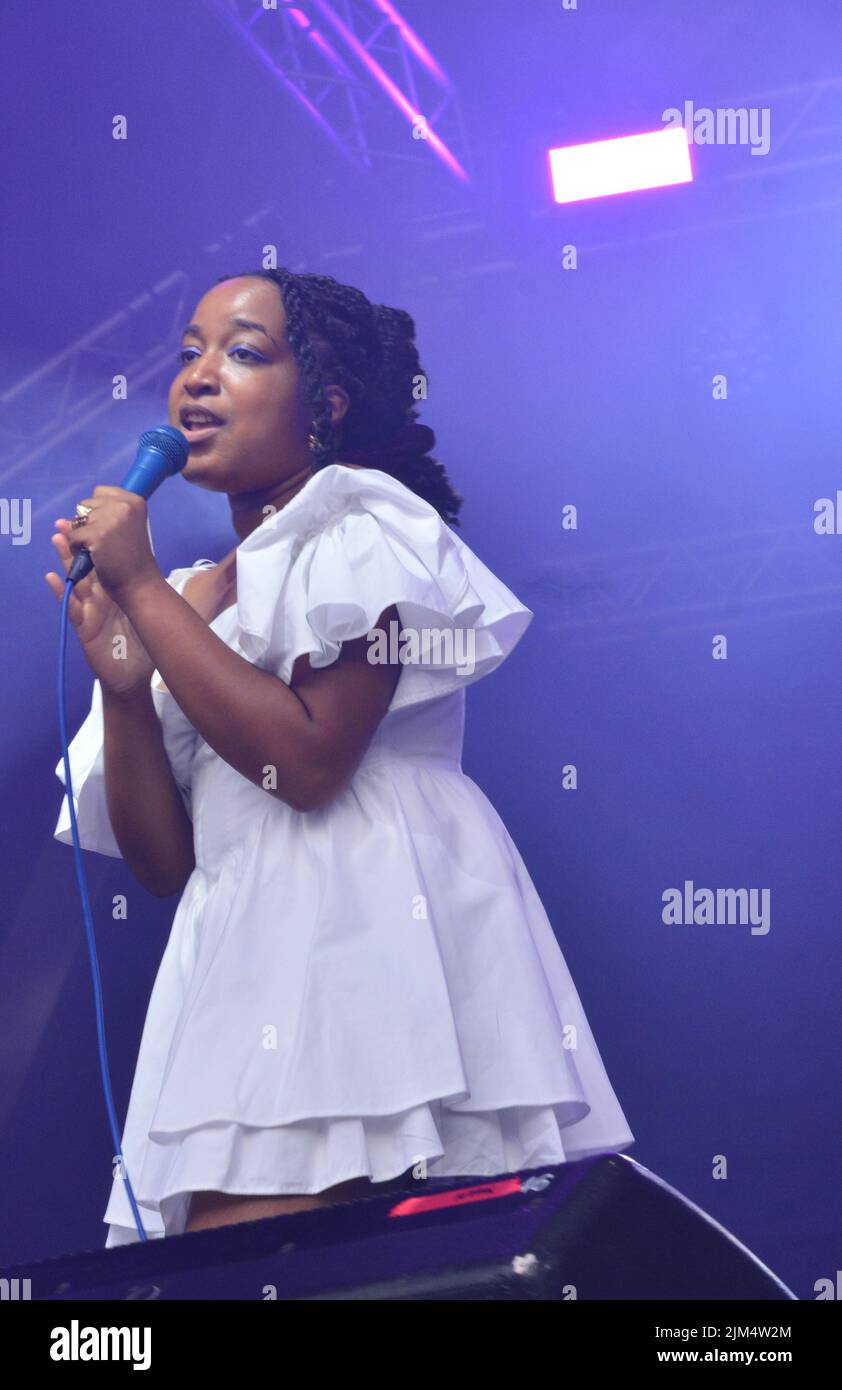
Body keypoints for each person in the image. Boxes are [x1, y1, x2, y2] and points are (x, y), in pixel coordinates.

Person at [47, 267, 634, 1246]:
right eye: (187, 352)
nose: (196, 376)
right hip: (239, 949)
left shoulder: (362, 523)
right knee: (231, 1262)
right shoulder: (192, 592)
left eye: (241, 351)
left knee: (320, 1256)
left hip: (364, 915)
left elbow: (308, 763)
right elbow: (163, 865)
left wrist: (140, 587)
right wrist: (121, 680)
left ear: (323, 402)